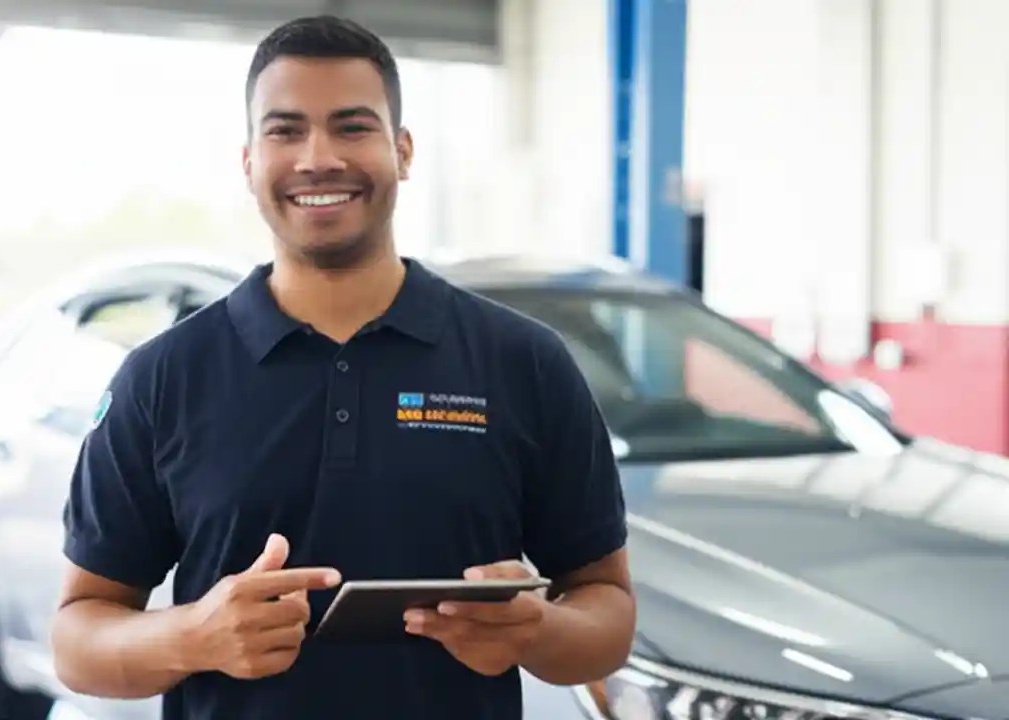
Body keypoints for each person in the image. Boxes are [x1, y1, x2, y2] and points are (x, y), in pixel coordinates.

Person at [51, 14, 635, 720]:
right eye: (285, 130)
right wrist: (195, 637)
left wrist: (537, 629)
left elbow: (608, 613)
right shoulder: (164, 377)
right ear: (248, 162)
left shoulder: (524, 363)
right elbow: (79, 637)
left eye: (352, 127)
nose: (317, 157)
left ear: (404, 150)